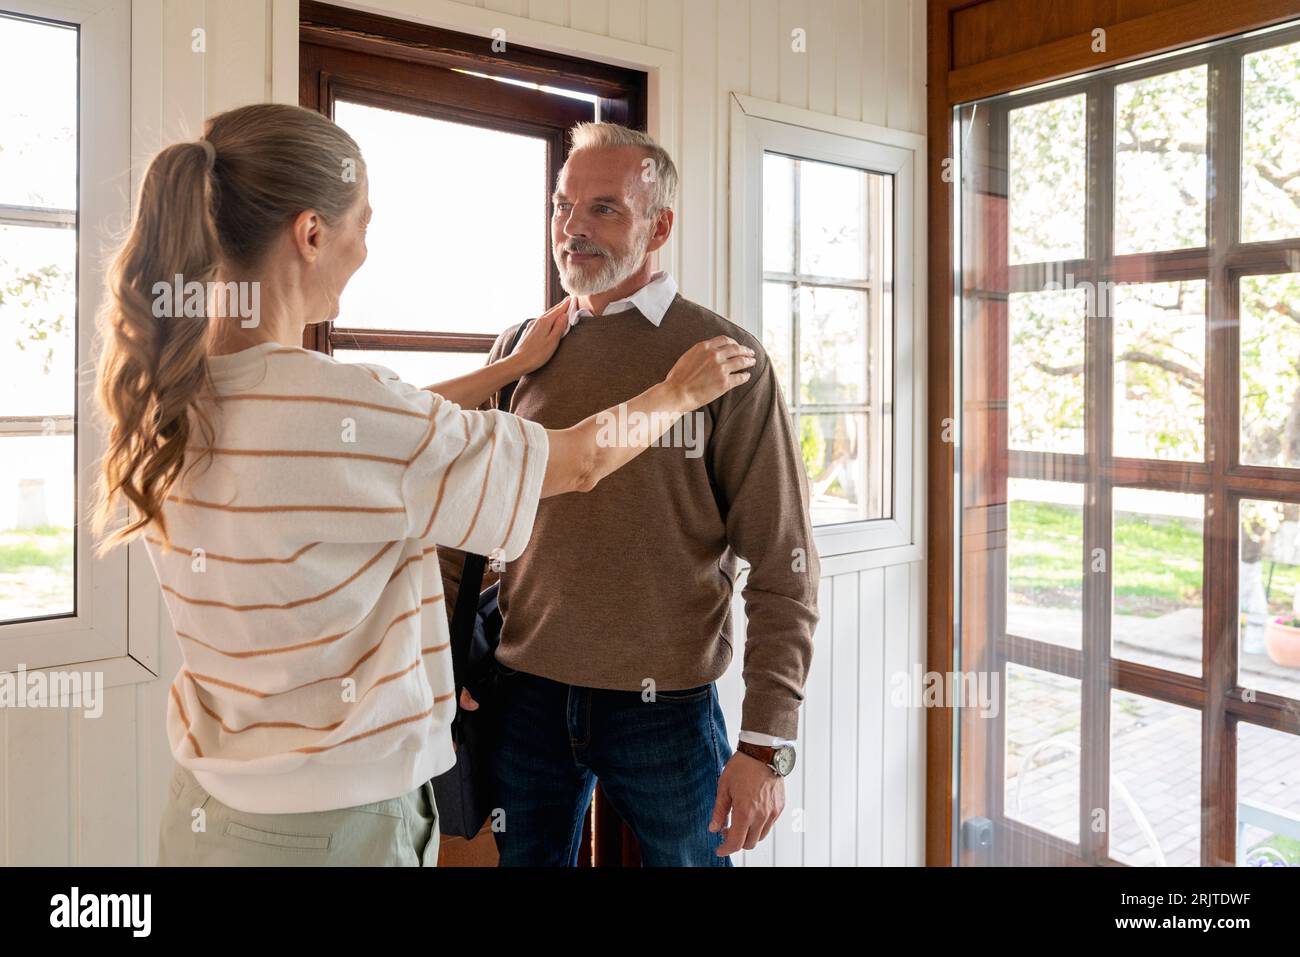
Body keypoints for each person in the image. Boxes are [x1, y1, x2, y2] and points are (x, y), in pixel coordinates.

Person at [90, 103, 755, 866]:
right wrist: (675, 392)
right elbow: (573, 459)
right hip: (336, 828)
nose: (364, 250)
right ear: (310, 234)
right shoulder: (340, 407)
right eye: (360, 225)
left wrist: (506, 369)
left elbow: (373, 436)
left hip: (207, 812)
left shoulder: (169, 397)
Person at [443, 123, 819, 867]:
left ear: (661, 224)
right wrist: (444, 664)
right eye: (563, 206)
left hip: (668, 712)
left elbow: (784, 560)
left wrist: (766, 743)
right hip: (524, 695)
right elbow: (465, 518)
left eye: (605, 208)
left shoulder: (724, 360)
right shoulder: (519, 350)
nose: (573, 228)